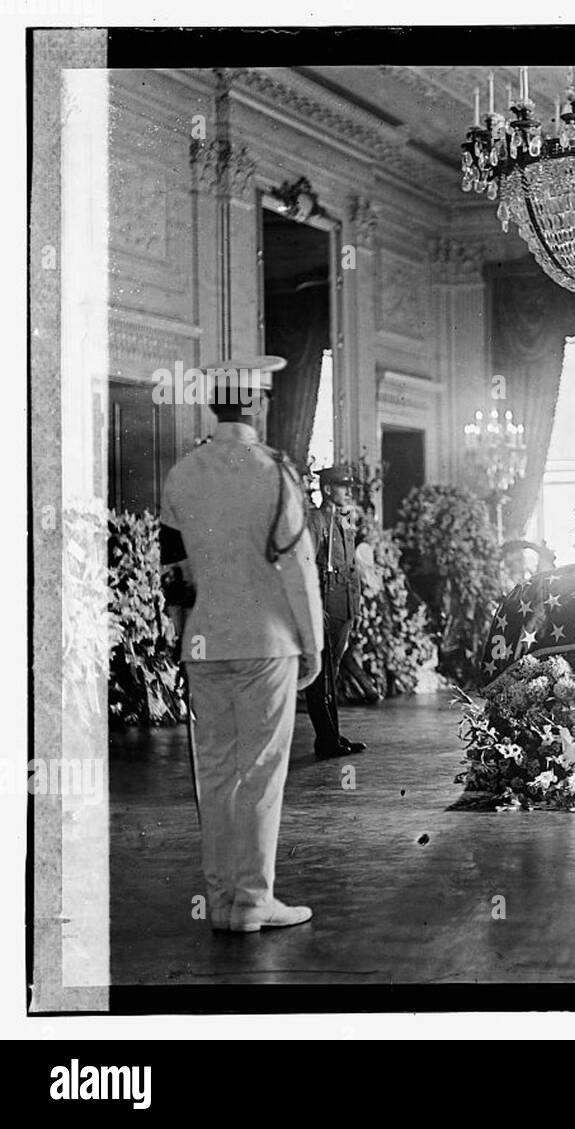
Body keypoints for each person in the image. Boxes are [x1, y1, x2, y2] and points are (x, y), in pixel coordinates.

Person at [159, 355, 322, 932]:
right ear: (257, 403)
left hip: (204, 642)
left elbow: (174, 571)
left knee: (217, 773)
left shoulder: (182, 473)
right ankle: (253, 901)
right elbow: (298, 565)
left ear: (213, 403)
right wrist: (314, 642)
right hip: (267, 642)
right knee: (260, 772)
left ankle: (223, 901)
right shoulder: (274, 471)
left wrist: (185, 635)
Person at [305, 466, 368, 757]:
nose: (348, 492)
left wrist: (354, 609)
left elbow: (352, 569)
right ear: (328, 489)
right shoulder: (316, 521)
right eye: (343, 487)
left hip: (342, 605)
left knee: (334, 672)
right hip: (325, 603)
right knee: (321, 675)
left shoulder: (344, 521)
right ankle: (326, 739)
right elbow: (305, 568)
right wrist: (316, 607)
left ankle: (332, 736)